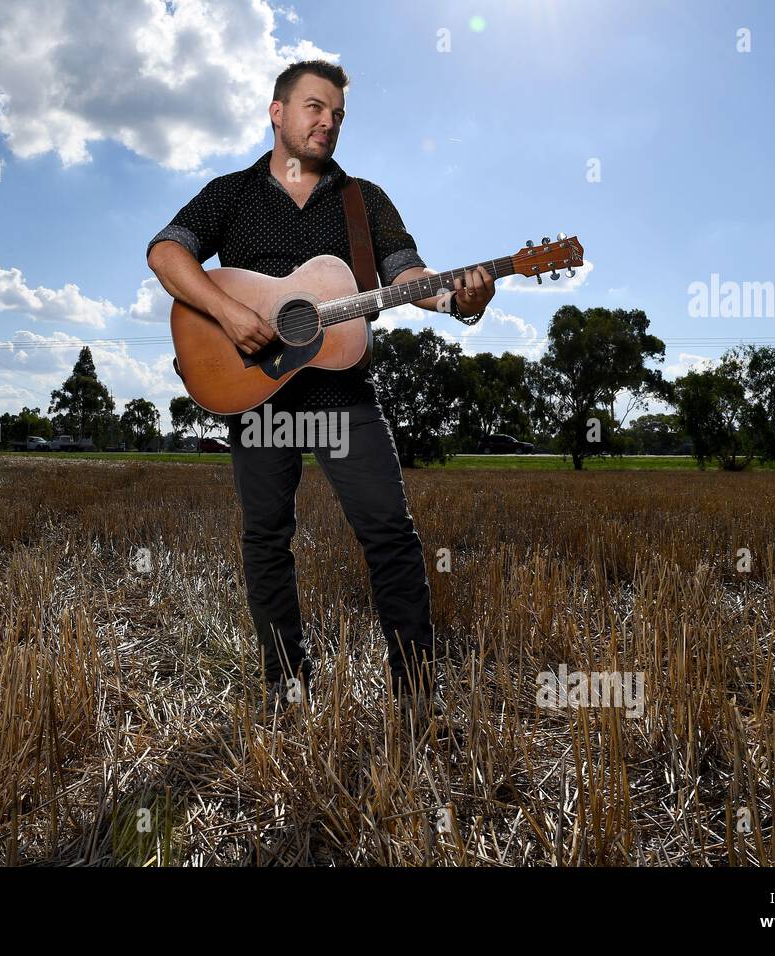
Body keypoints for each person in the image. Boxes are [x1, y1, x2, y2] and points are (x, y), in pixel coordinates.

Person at [146, 59, 495, 725]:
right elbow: (167, 252)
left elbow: (406, 274)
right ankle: (287, 690)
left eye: (337, 114)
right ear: (277, 112)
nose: (327, 122)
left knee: (391, 535)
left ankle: (416, 697)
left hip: (344, 393)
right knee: (266, 539)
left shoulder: (363, 199)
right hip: (257, 392)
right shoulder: (230, 194)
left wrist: (458, 299)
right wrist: (230, 313)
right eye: (314, 107)